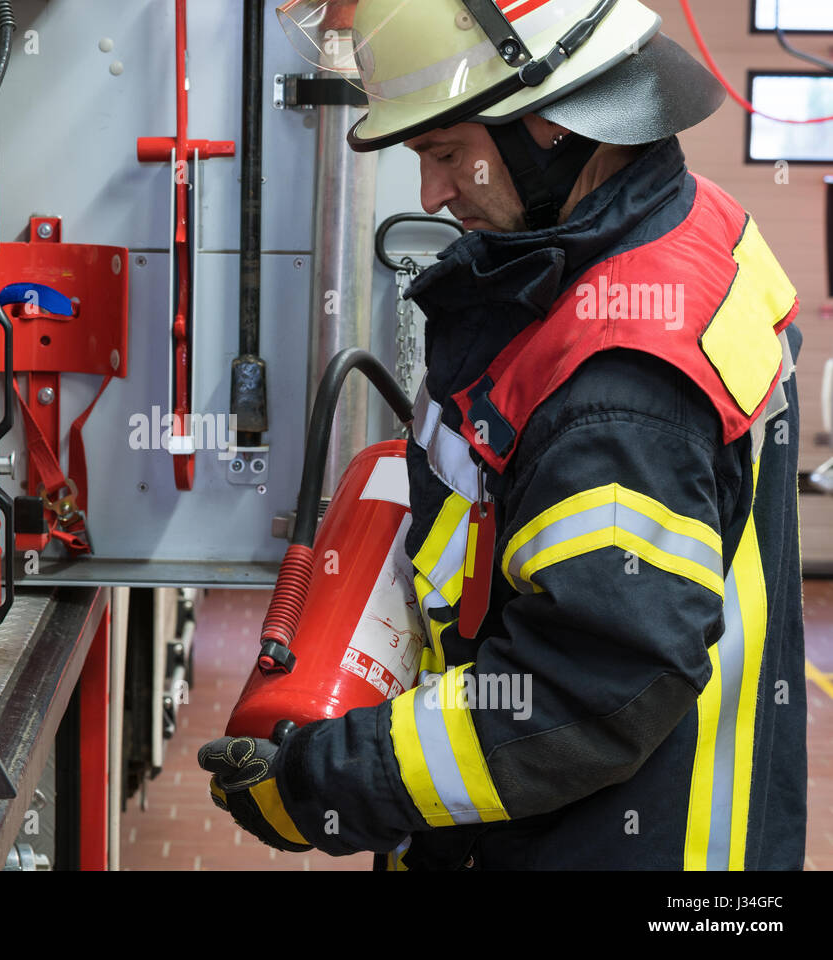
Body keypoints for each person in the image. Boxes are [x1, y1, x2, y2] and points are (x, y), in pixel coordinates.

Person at [199, 0, 806, 870]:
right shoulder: (691, 222)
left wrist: (319, 785)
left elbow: (581, 691)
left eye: (449, 154)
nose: (433, 195)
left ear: (553, 125)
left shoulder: (617, 389)